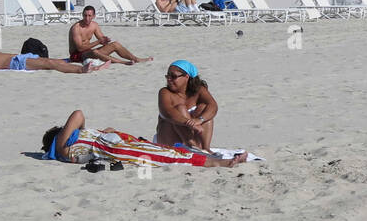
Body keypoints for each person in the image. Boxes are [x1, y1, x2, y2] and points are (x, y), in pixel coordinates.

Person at [42, 109, 246, 168]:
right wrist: (73, 133)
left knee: (169, 152)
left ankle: (221, 160)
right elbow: (77, 114)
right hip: (116, 149)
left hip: (118, 143)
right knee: (167, 157)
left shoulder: (73, 145)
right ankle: (224, 163)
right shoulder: (62, 148)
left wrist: (96, 132)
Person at [156, 60, 218, 150]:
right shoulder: (165, 92)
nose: (169, 79)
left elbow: (213, 106)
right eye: (167, 76)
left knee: (204, 108)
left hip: (195, 140)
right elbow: (167, 112)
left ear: (186, 77)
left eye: (173, 76)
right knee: (180, 108)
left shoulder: (199, 90)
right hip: (169, 140)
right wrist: (189, 123)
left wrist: (199, 120)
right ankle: (192, 145)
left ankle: (205, 148)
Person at [0, 35, 101, 73]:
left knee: (53, 61)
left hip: (20, 59)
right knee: (50, 63)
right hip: (17, 62)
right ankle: (81, 70)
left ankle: (92, 66)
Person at [69, 5, 150, 65]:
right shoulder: (76, 28)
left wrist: (105, 41)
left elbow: (102, 39)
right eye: (85, 15)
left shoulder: (94, 25)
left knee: (115, 44)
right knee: (95, 51)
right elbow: (80, 48)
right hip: (77, 55)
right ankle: (122, 62)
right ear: (82, 15)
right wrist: (98, 41)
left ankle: (136, 59)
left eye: (89, 16)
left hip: (89, 52)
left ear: (94, 16)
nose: (87, 18)